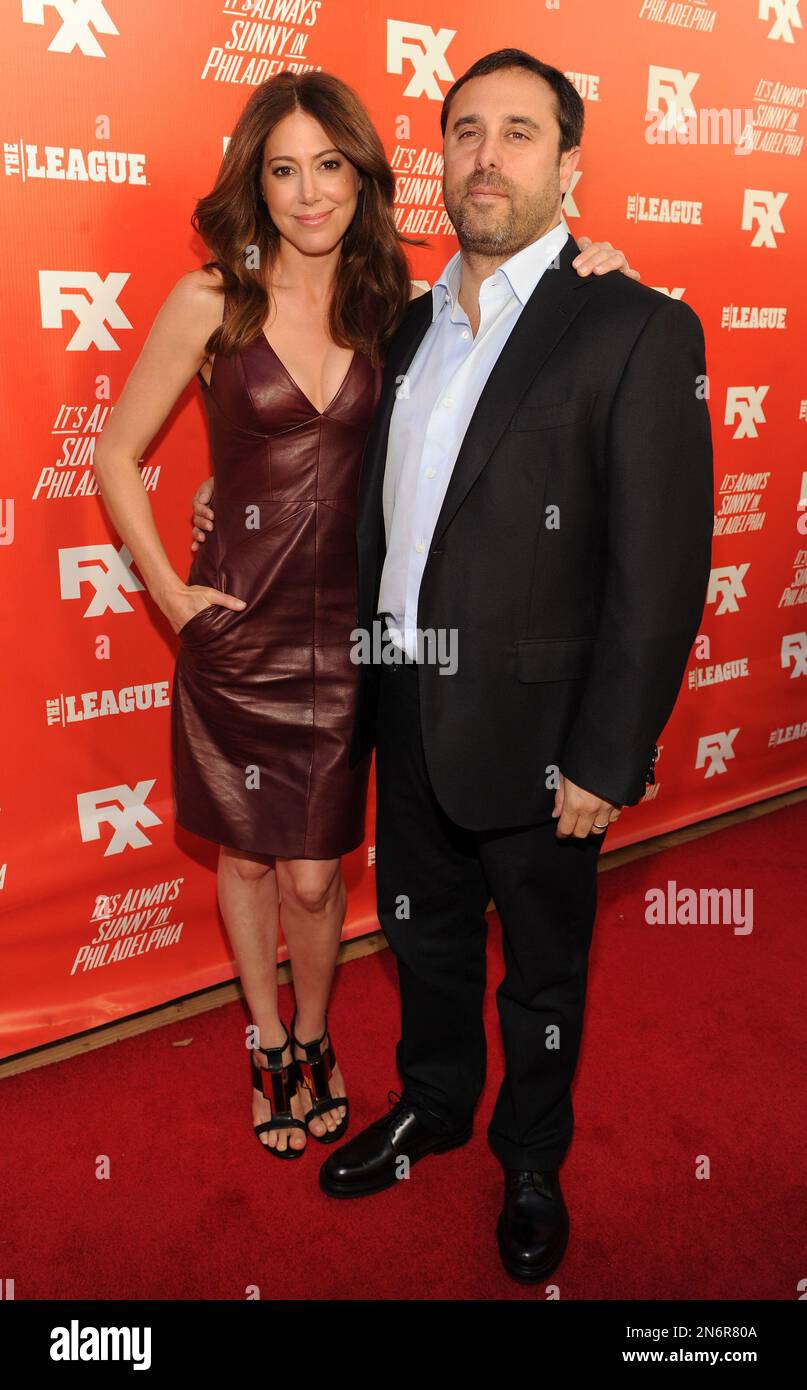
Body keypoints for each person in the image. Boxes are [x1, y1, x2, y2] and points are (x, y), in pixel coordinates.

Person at [132, 71, 631, 1165]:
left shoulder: (395, 308)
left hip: (354, 642)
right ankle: (272, 1043)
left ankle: (316, 1027)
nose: (308, 193)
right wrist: (172, 593)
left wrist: (599, 266)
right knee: (249, 863)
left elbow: (510, 339)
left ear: (362, 176)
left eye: (330, 166)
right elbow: (115, 454)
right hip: (239, 634)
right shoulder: (210, 300)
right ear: (254, 185)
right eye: (282, 169)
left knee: (315, 873)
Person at [309, 48, 713, 1285]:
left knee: (541, 966)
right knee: (424, 942)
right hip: (409, 703)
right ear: (442, 157)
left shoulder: (637, 325)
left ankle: (532, 1158)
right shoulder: (406, 324)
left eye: (521, 133)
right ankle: (433, 1107)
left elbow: (660, 567)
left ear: (570, 165)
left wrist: (607, 752)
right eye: (466, 130)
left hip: (544, 739)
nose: (488, 155)